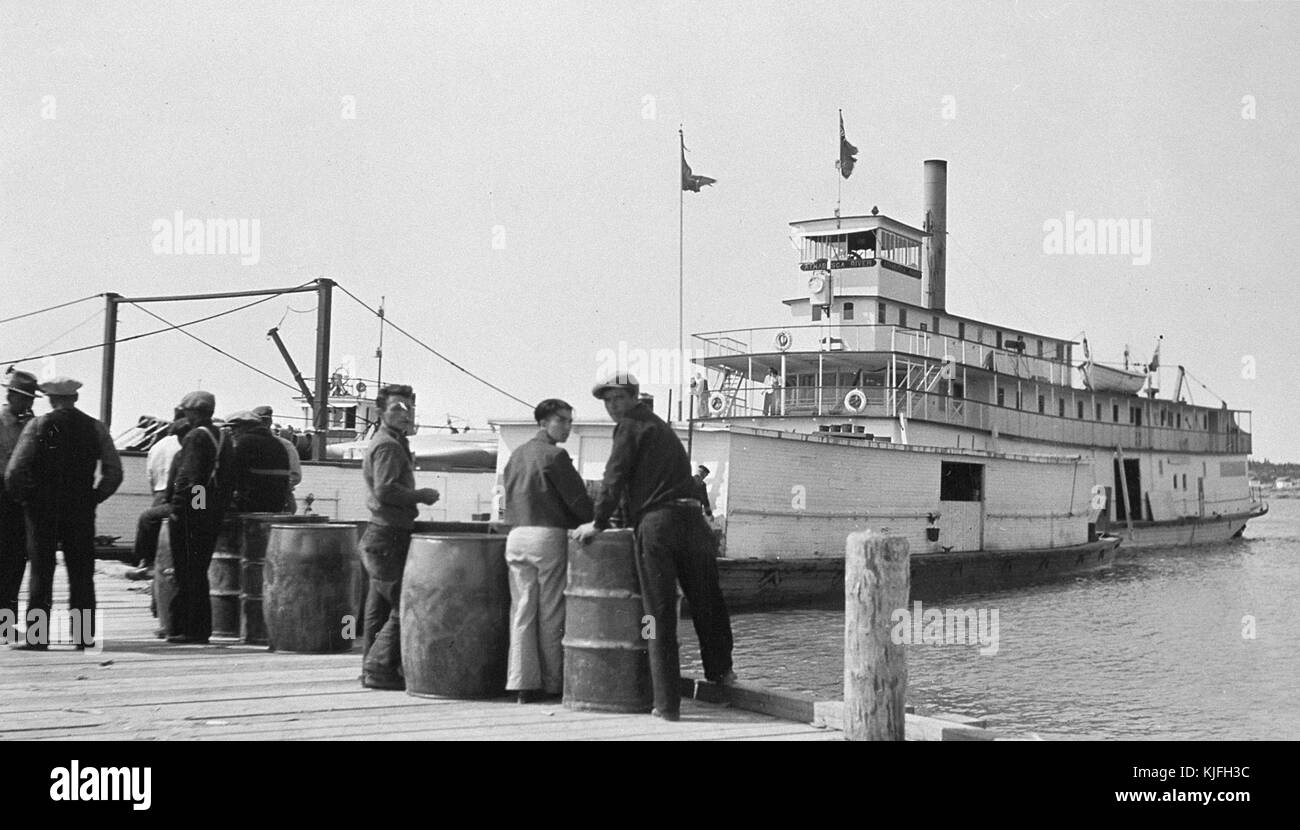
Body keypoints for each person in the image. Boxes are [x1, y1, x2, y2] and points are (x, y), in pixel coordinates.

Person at [573, 372, 735, 721]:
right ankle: (722, 673)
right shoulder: (660, 427)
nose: (612, 406)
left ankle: (665, 704)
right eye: (607, 401)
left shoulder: (628, 427)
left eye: (617, 398)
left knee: (655, 613)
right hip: (693, 524)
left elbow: (614, 478)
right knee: (708, 602)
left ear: (633, 398)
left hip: (659, 526)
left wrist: (598, 523)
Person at [5, 376, 122, 649]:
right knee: (82, 572)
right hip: (80, 509)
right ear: (76, 399)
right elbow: (114, 472)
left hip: (41, 509)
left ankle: (37, 637)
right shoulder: (96, 428)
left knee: (41, 572)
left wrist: (26, 499)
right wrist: (94, 497)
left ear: (50, 399)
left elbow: (15, 471)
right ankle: (83, 636)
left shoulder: (38, 425)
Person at [502, 398, 593, 704]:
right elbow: (579, 504)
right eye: (562, 420)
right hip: (546, 537)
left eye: (569, 420)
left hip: (515, 536)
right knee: (551, 612)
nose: (568, 426)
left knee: (522, 611)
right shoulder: (555, 456)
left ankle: (521, 683)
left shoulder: (516, 455)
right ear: (543, 423)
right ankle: (553, 683)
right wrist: (597, 520)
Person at [358, 384, 439, 690]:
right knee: (401, 603)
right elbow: (386, 489)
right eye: (397, 408)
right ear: (380, 413)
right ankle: (379, 668)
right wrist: (422, 495)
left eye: (408, 408)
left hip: (381, 534)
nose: (405, 414)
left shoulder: (393, 441)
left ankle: (371, 667)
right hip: (388, 536)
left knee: (378, 607)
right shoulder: (389, 446)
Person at [164, 391, 235, 644]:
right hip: (213, 514)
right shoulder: (224, 437)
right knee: (198, 570)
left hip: (192, 517)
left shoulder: (196, 437)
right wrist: (209, 510)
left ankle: (188, 629)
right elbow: (226, 480)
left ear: (193, 412)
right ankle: (197, 628)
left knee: (187, 572)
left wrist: (186, 511)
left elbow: (192, 482)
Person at [126, 411, 190, 581]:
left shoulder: (157, 446)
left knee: (153, 536)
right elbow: (194, 482)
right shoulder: (186, 449)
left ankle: (145, 563)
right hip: (180, 497)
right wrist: (200, 505)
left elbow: (151, 475)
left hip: (159, 494)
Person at [0, 371, 39, 641]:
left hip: (21, 498)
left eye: (30, 400)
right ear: (10, 395)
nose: (27, 405)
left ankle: (5, 623)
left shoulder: (35, 423)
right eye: (23, 399)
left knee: (15, 560)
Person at [226, 410, 291, 513]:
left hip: (250, 504)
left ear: (246, 426)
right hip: (276, 504)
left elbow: (233, 474)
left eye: (235, 427)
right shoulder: (277, 443)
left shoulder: (245, 442)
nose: (232, 431)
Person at [254, 406, 301, 513]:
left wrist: (276, 487)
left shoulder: (284, 445)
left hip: (281, 499)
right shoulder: (249, 443)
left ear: (269, 422)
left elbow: (295, 476)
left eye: (263, 421)